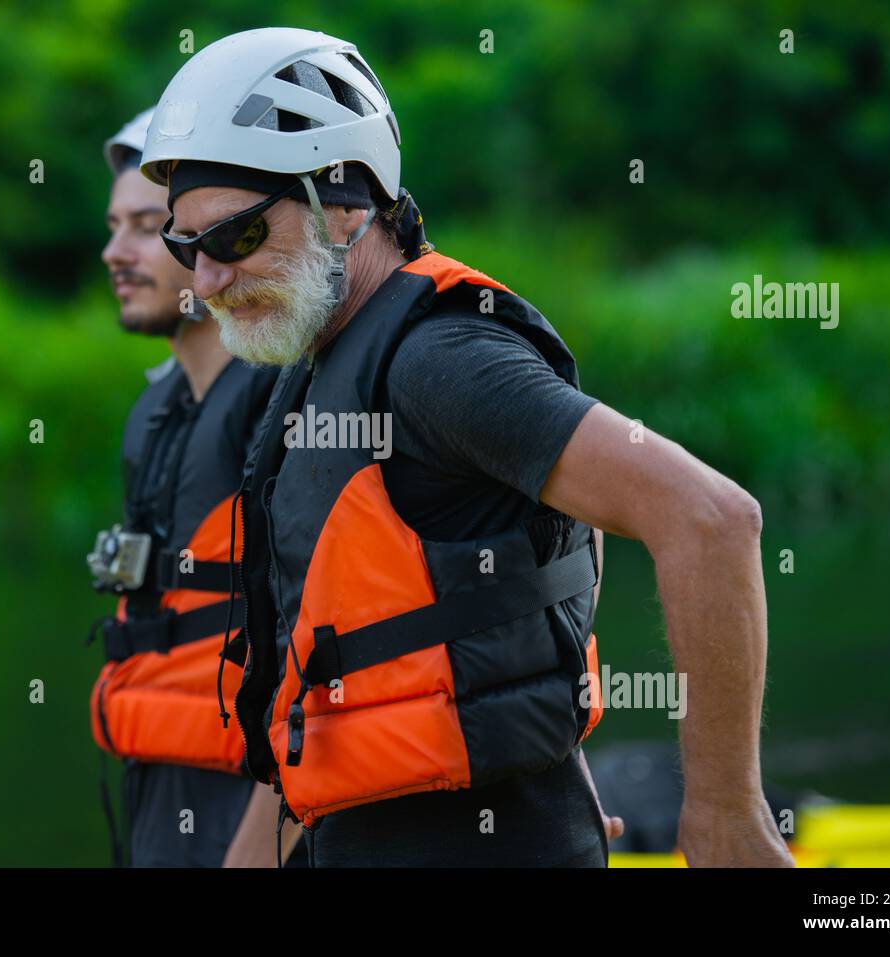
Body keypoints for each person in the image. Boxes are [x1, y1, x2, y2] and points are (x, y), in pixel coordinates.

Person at [140, 28, 793, 867]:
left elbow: (708, 518)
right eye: (184, 248)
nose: (205, 282)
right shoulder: (313, 371)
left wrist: (726, 814)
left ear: (343, 206)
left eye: (233, 239)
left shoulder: (441, 361)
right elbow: (536, 561)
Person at [87, 106, 286, 867]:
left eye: (143, 227)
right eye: (113, 226)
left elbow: (320, 661)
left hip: (258, 822)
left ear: (205, 230)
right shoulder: (156, 411)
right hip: (162, 793)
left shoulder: (288, 401)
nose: (114, 251)